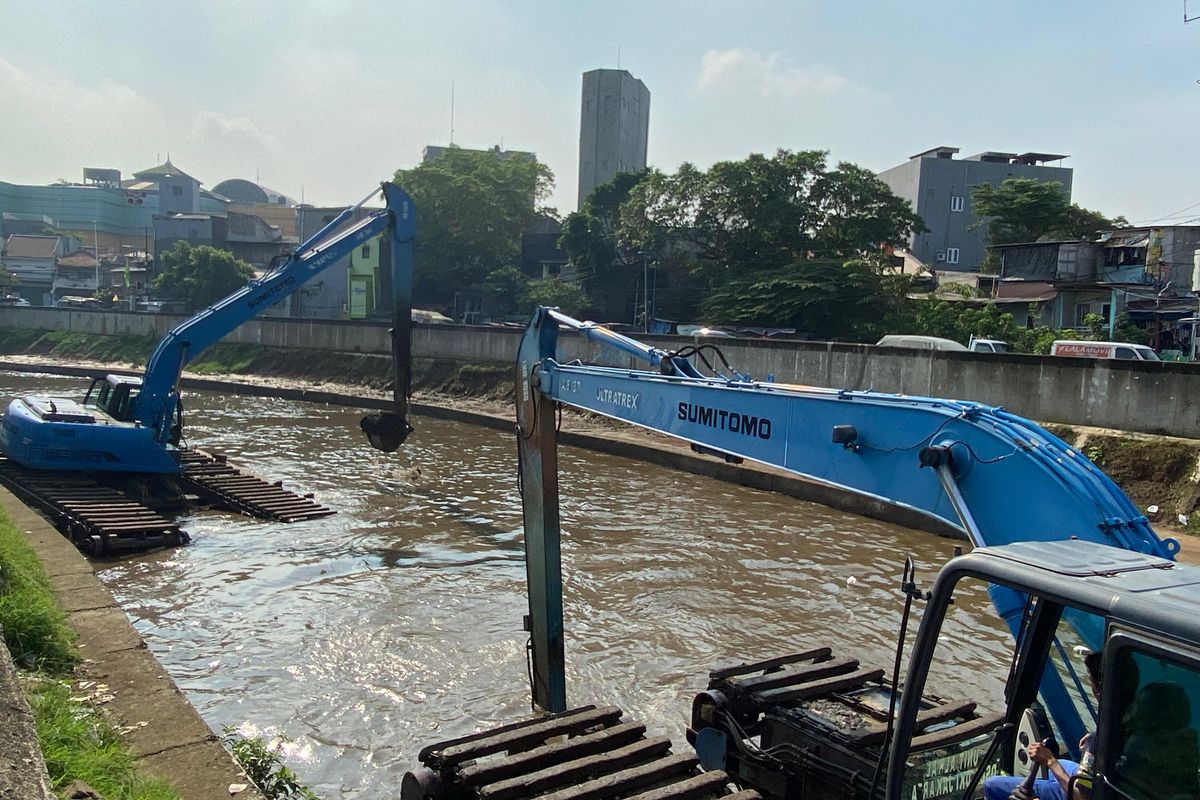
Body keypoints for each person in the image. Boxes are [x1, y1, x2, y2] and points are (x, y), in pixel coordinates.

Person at [982, 653, 1104, 800]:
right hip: (1105, 787)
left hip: (1086, 795)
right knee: (1063, 764)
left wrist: (1050, 760)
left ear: (1098, 688)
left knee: (992, 785)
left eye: (1090, 679)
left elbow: (1081, 798)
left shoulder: (1099, 741)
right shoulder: (1127, 720)